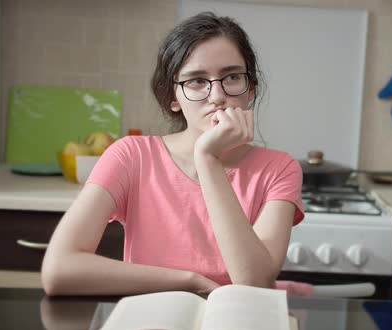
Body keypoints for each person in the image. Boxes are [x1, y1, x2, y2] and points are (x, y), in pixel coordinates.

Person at [41, 12, 304, 296]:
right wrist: (188, 280)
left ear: (250, 88)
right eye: (196, 81)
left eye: (232, 77)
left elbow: (255, 282)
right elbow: (59, 271)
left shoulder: (280, 168)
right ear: (173, 98)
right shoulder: (131, 156)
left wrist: (207, 160)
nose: (217, 96)